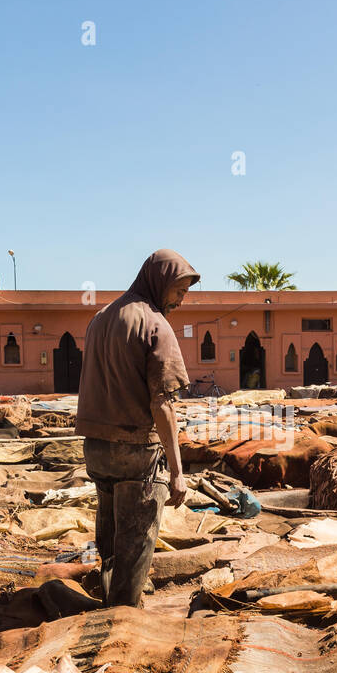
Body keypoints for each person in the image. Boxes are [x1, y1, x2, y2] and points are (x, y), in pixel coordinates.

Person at [75, 248, 198, 607]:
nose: (180, 300)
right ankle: (120, 622)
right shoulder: (154, 323)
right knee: (137, 540)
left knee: (111, 535)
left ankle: (108, 595)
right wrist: (177, 472)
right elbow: (162, 404)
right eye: (178, 291)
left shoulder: (100, 318)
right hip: (135, 452)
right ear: (159, 281)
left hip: (97, 448)